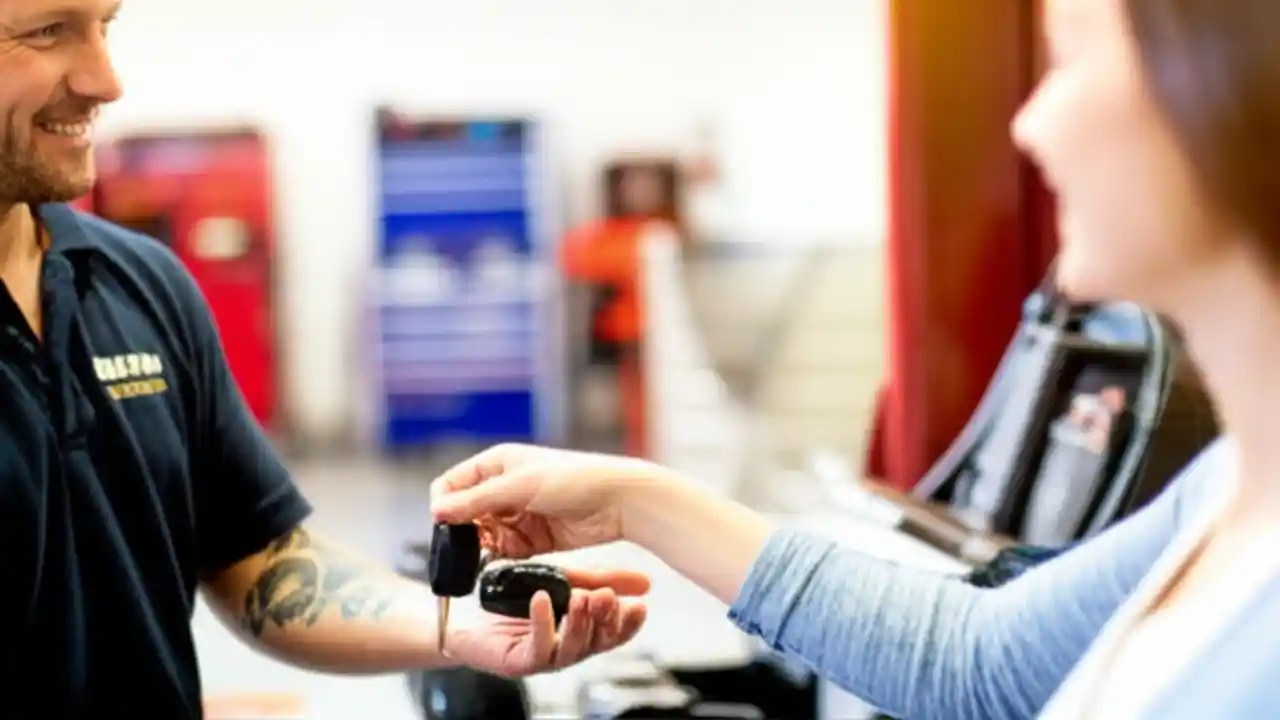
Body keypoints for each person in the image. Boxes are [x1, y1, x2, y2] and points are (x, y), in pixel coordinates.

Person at [431, 0, 1280, 717]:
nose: (1031, 122)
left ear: (1227, 82)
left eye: (1072, 61)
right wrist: (631, 501)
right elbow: (978, 661)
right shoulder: (1229, 492)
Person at [0, 2, 650, 716]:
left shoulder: (140, 284)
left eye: (105, 27)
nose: (105, 79)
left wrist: (452, 625)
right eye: (46, 31)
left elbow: (260, 559)